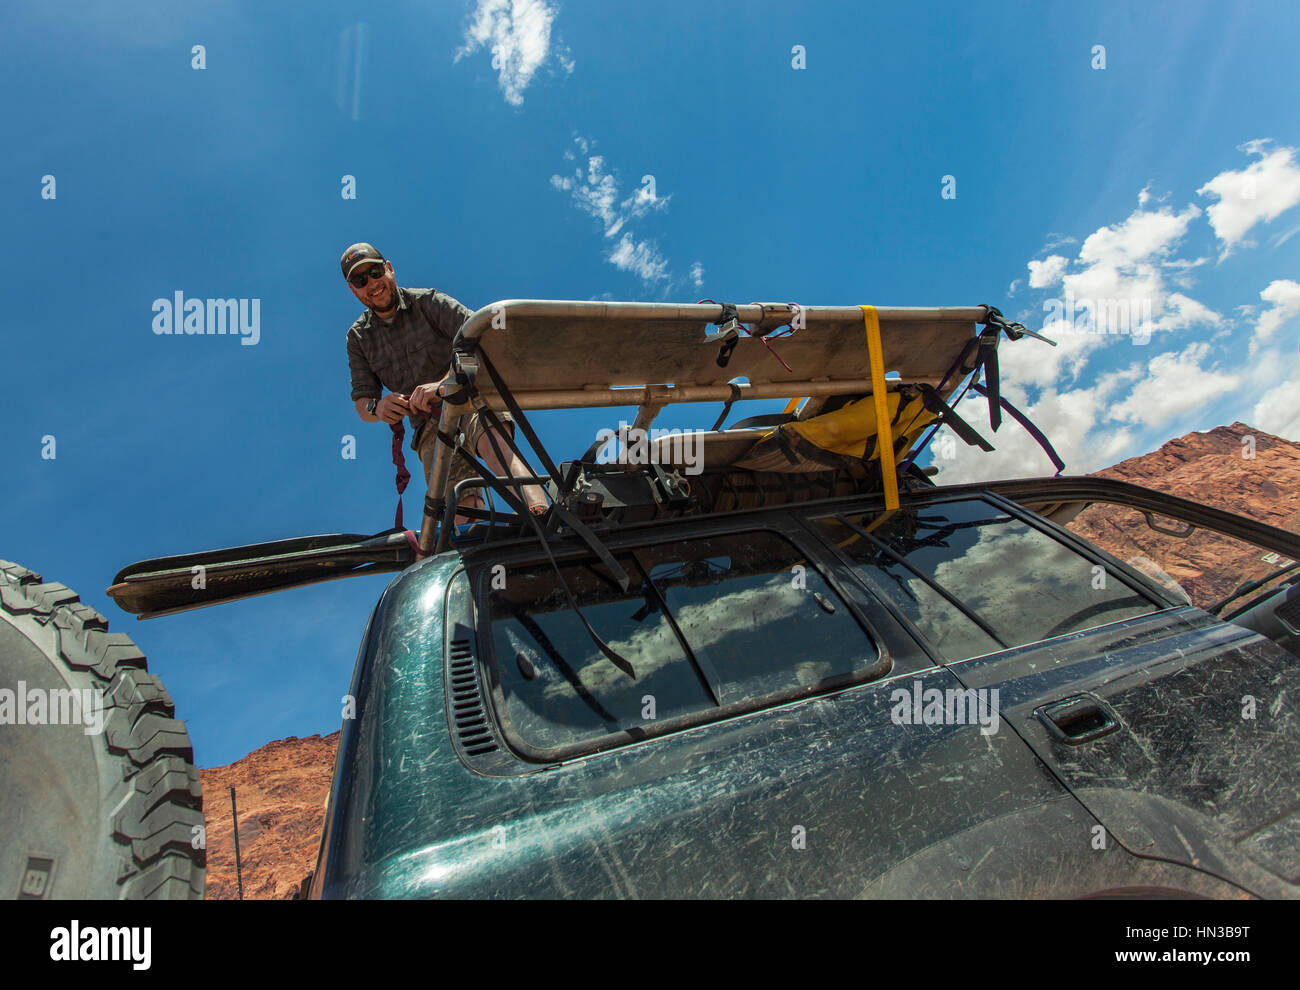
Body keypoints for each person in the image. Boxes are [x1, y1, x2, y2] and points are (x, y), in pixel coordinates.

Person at [341, 242, 547, 524]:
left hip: (469, 396)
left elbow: (483, 337)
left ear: (388, 268)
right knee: (457, 499)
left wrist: (442, 385)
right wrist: (378, 408)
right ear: (353, 290)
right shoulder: (358, 339)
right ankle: (477, 550)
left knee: (494, 441)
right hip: (427, 426)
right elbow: (362, 403)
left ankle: (540, 515)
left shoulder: (427, 302)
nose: (372, 284)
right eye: (360, 280)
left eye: (375, 272)